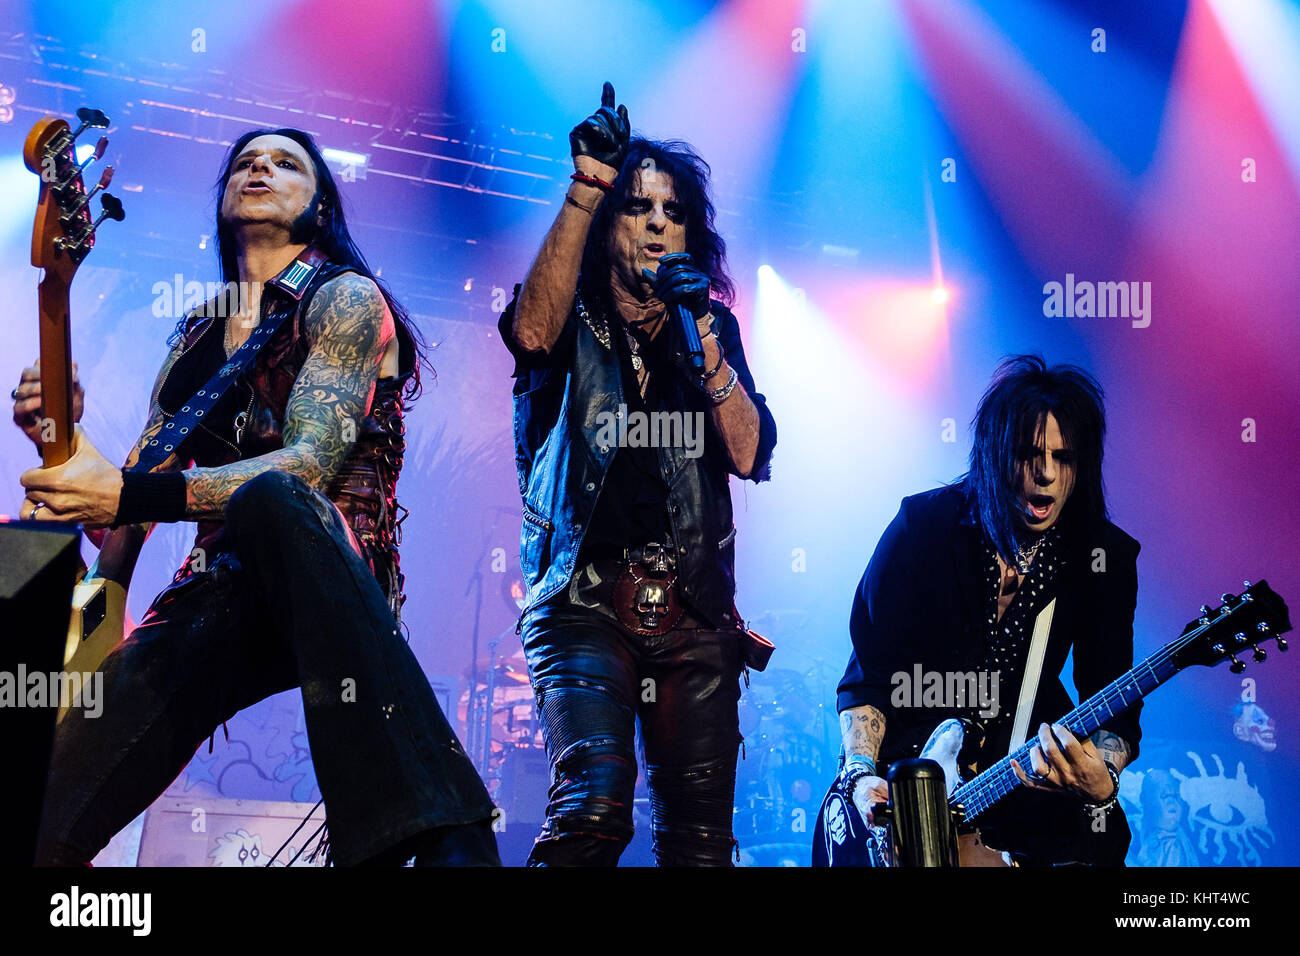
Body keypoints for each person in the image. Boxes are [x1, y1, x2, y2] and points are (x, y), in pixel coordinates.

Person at [13, 126, 498, 866]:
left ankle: (437, 838)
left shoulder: (345, 298)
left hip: (322, 562)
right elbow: (135, 489)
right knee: (43, 812)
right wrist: (62, 436)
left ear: (320, 206)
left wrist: (128, 494)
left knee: (271, 499)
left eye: (285, 162)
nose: (259, 168)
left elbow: (306, 465)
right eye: (244, 160)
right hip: (212, 592)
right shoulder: (198, 332)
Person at [499, 82, 777, 865]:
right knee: (592, 805)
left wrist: (709, 344)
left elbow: (752, 455)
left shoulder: (708, 331)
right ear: (611, 224)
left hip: (694, 614)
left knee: (700, 846)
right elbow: (530, 333)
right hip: (583, 600)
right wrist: (589, 184)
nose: (658, 222)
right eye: (639, 207)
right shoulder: (571, 312)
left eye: (674, 211)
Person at [833, 355, 1140, 866]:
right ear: (994, 455)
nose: (1045, 475)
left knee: (1106, 836)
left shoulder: (1100, 557)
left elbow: (1112, 697)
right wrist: (861, 774)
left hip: (1022, 766)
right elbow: (868, 678)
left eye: (1064, 458)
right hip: (912, 779)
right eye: (1027, 455)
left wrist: (1101, 773)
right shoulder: (923, 528)